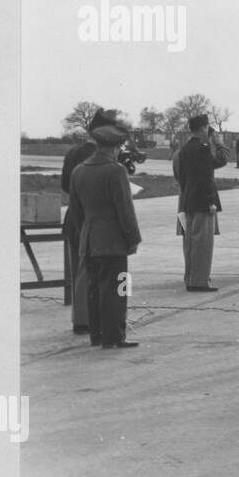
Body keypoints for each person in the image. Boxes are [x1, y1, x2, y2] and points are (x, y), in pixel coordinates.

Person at [66, 119, 143, 348]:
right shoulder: (116, 171)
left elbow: (76, 211)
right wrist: (133, 238)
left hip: (89, 240)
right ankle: (115, 336)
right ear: (115, 147)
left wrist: (85, 235)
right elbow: (125, 210)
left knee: (94, 289)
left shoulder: (79, 171)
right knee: (119, 288)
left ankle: (96, 334)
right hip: (114, 241)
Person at [60, 109, 108, 335]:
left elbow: (64, 185)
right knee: (89, 272)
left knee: (78, 269)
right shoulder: (98, 157)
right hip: (93, 220)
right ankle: (85, 320)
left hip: (73, 217)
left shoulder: (72, 153)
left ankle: (82, 318)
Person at [174, 113, 228, 292]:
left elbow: (182, 178)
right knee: (203, 244)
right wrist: (219, 143)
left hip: (189, 201)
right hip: (203, 202)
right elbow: (207, 176)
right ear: (204, 128)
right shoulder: (203, 149)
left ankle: (191, 278)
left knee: (191, 242)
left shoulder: (184, 150)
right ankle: (200, 281)